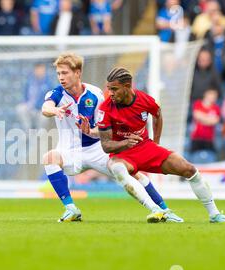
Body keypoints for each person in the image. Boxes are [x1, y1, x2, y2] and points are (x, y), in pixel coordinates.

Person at [41, 53, 181, 222]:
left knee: (134, 172)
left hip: (98, 148)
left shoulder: (96, 94)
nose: (61, 78)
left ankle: (163, 210)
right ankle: (71, 209)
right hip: (70, 149)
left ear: (77, 72)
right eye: (58, 73)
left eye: (65, 73)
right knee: (49, 158)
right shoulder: (56, 94)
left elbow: (105, 125)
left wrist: (91, 131)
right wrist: (54, 110)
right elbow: (46, 108)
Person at [95, 67, 225, 223]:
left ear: (128, 86)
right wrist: (125, 143)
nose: (110, 93)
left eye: (114, 89)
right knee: (117, 169)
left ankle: (214, 214)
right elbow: (106, 146)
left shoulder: (145, 100)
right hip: (123, 154)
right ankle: (157, 210)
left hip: (146, 148)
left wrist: (156, 143)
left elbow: (157, 114)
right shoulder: (105, 109)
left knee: (190, 169)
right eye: (109, 89)